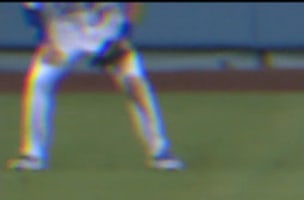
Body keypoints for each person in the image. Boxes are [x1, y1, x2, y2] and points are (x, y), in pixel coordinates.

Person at [7, 2, 183, 171]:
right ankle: (33, 154)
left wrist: (124, 36)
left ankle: (160, 151)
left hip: (106, 33)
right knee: (40, 81)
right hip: (64, 35)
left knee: (134, 80)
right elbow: (33, 9)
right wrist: (48, 42)